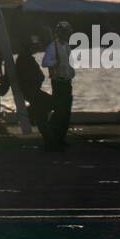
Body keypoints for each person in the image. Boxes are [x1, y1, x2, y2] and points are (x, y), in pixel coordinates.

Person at [41, 21, 76, 150]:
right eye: (65, 32)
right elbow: (44, 63)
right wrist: (55, 63)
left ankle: (61, 138)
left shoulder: (67, 46)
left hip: (67, 82)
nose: (66, 35)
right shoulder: (52, 47)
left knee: (66, 112)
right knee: (59, 111)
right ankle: (53, 137)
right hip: (58, 83)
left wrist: (71, 71)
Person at [13, 38, 51, 139]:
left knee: (44, 105)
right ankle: (32, 114)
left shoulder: (26, 58)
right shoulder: (24, 60)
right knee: (49, 103)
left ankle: (34, 115)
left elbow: (38, 76)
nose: (35, 48)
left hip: (33, 90)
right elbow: (34, 76)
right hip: (31, 91)